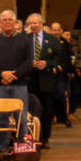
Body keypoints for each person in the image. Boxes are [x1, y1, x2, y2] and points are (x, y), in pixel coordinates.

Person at [0, 9, 32, 148]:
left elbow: (29, 62)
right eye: (4, 20)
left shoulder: (25, 40)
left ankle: (23, 148)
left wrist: (13, 75)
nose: (7, 22)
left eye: (10, 20)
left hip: (20, 85)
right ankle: (2, 148)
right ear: (0, 23)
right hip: (0, 85)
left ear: (16, 23)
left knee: (21, 119)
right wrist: (2, 74)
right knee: (1, 119)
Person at [24, 13, 62, 149]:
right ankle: (32, 137)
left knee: (46, 110)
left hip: (46, 80)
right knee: (32, 110)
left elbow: (59, 59)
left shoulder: (51, 40)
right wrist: (30, 63)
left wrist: (47, 63)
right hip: (30, 80)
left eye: (36, 23)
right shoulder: (25, 39)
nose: (33, 25)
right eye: (31, 23)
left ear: (41, 24)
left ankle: (45, 137)